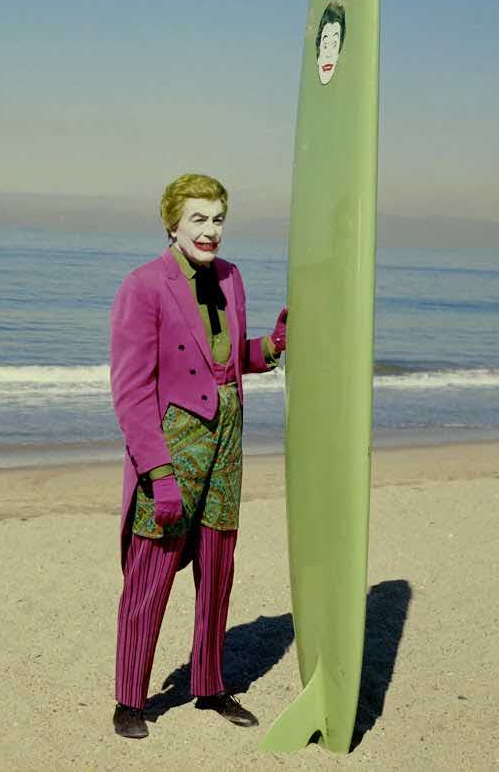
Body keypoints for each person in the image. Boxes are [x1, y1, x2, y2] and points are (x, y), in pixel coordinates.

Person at [110, 172, 287, 739]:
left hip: (229, 440)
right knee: (152, 570)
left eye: (217, 219)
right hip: (175, 443)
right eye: (198, 219)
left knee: (218, 566)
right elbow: (131, 390)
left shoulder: (232, 279)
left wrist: (271, 348)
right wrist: (158, 473)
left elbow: (227, 358)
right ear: (172, 223)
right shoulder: (143, 286)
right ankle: (130, 699)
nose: (210, 231)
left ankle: (209, 685)